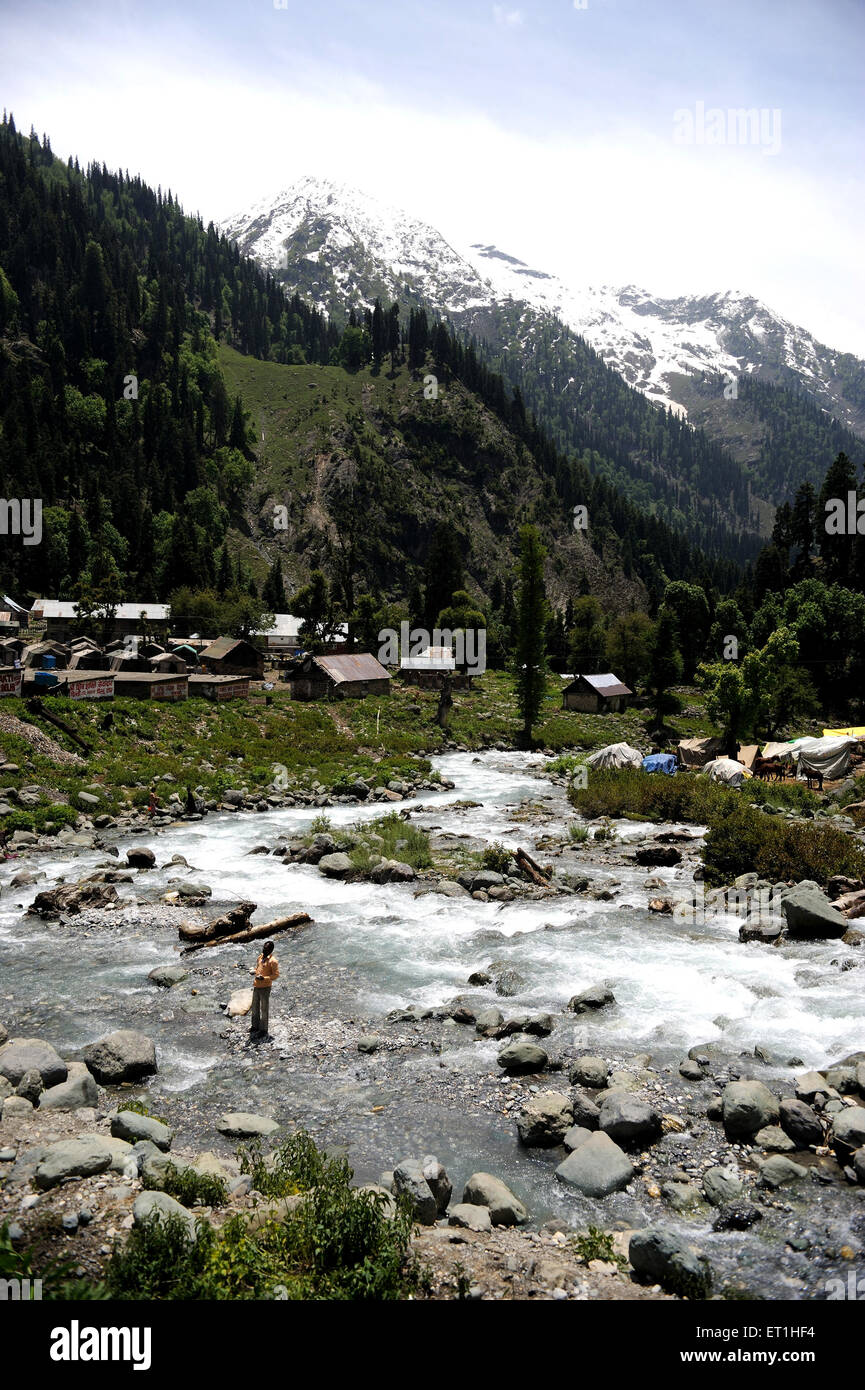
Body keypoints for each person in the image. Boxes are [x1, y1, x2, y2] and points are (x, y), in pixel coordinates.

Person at [250, 941, 279, 1038]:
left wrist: (264, 978)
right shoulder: (260, 957)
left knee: (264, 1009)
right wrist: (254, 971)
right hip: (256, 986)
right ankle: (255, 1026)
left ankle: (263, 1030)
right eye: (263, 948)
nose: (264, 950)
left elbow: (276, 975)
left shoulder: (273, 961)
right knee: (255, 1007)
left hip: (265, 988)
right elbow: (258, 968)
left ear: (271, 950)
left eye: (266, 949)